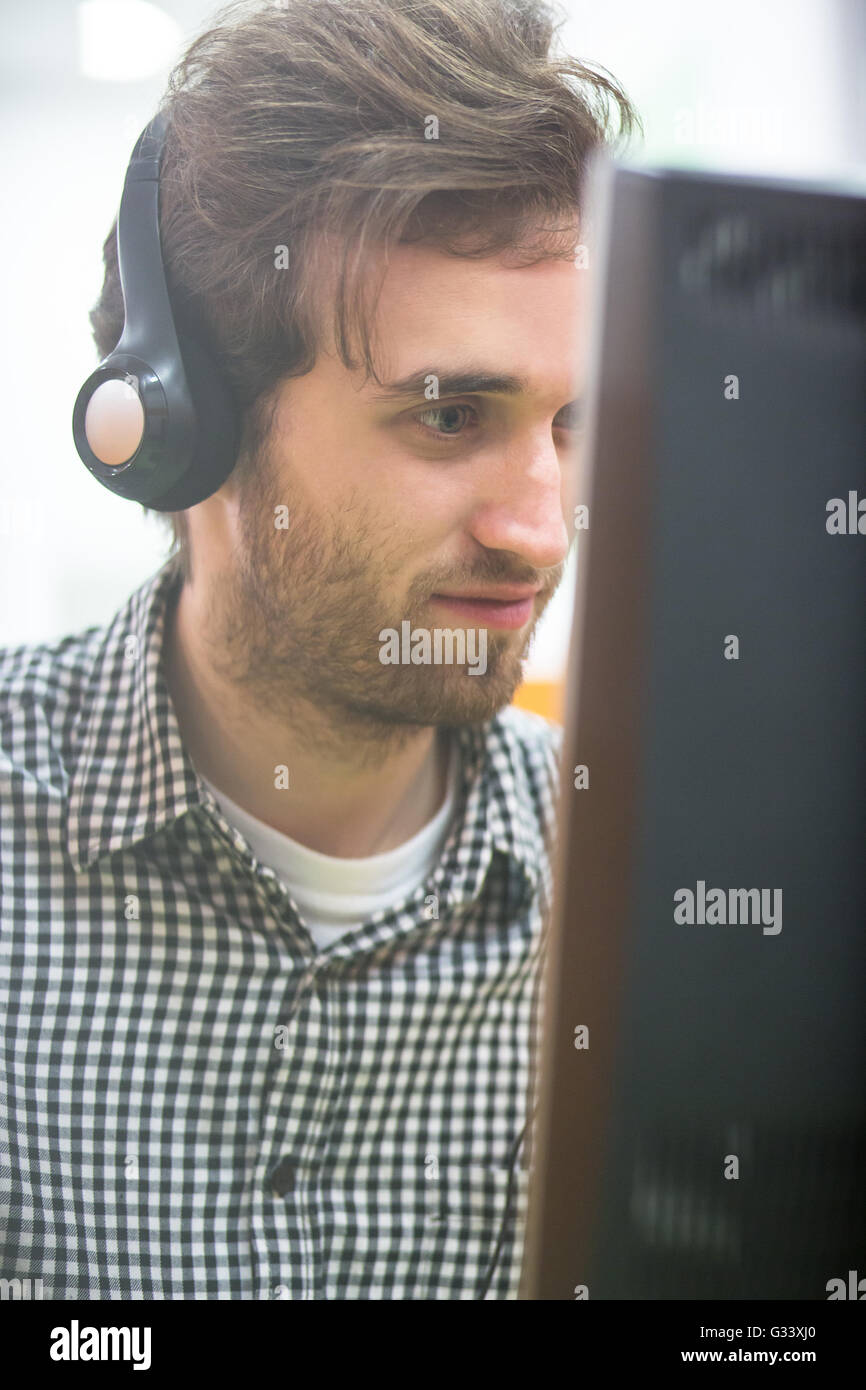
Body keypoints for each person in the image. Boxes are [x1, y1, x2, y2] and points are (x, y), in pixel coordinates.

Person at [0, 0, 638, 1299]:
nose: (538, 524)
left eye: (570, 421)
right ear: (184, 434)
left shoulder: (641, 891)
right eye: (450, 414)